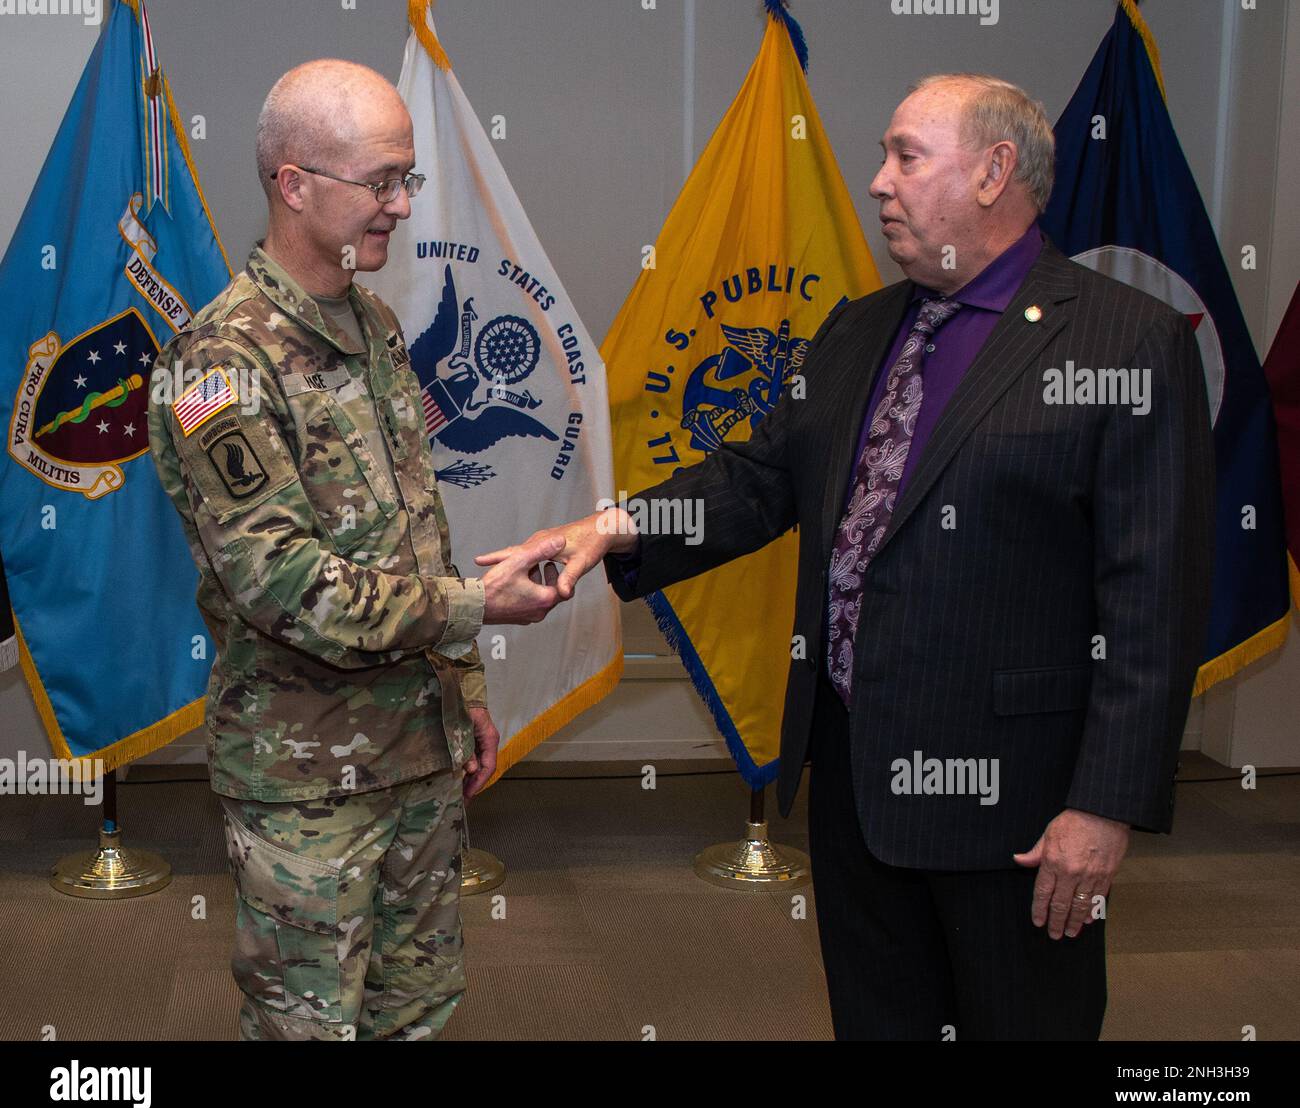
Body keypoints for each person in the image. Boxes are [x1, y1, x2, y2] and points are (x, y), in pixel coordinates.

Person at [481, 73, 1215, 1040]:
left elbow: (1153, 603)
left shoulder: (1127, 340)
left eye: (906, 155)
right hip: (855, 788)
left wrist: (1104, 809)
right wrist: (607, 528)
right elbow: (753, 484)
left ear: (996, 171)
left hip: (1018, 815)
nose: (878, 182)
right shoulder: (860, 329)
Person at [148, 59, 560, 1041]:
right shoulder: (221, 362)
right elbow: (283, 584)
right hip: (305, 779)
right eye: (381, 181)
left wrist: (461, 685)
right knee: (311, 1025)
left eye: (405, 179)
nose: (402, 205)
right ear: (294, 183)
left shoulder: (370, 322)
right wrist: (475, 608)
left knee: (413, 1012)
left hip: (415, 748)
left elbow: (416, 518)